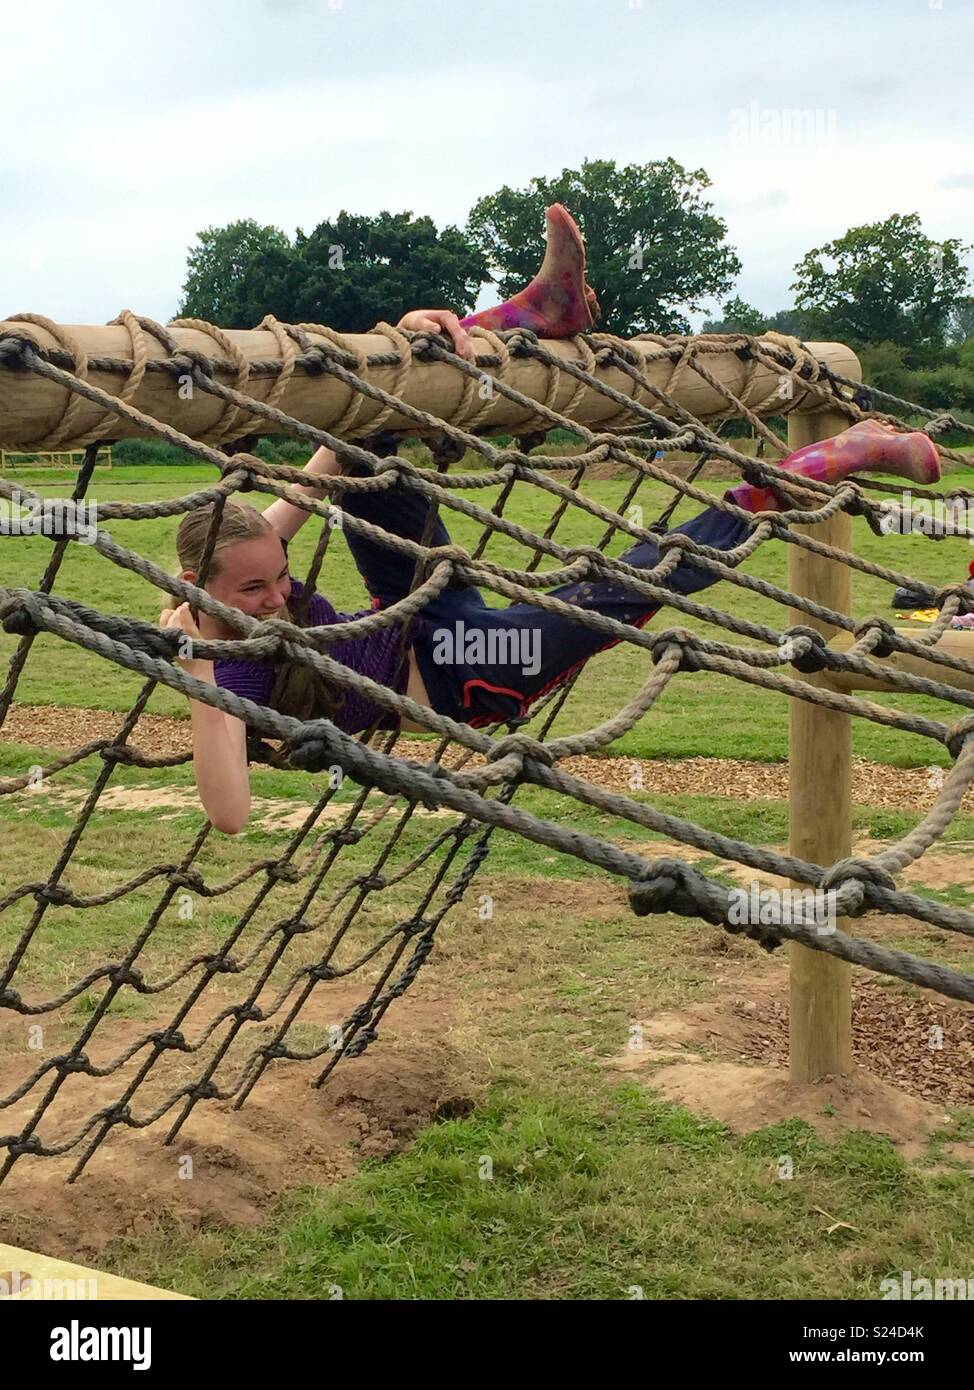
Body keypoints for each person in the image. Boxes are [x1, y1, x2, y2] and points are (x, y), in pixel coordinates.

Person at [159, 206, 942, 833]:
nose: (276, 594)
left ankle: (523, 318)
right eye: (253, 590)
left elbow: (311, 485)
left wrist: (398, 352)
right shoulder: (225, 671)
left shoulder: (249, 559)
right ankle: (809, 470)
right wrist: (194, 668)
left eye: (278, 576)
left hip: (415, 606)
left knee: (366, 421)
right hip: (466, 675)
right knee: (630, 584)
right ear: (198, 586)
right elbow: (230, 815)